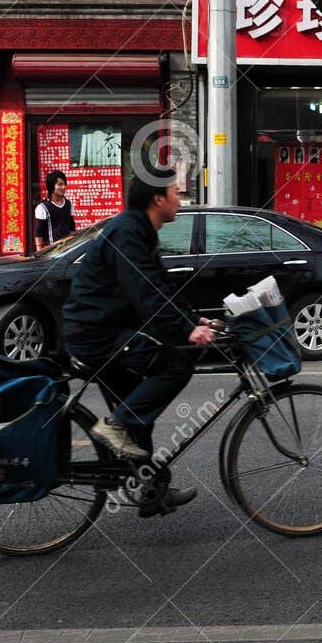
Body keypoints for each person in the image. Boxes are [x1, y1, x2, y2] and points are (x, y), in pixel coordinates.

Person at [61, 170, 215, 513]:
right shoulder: (129, 232)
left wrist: (194, 319)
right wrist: (185, 332)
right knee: (176, 362)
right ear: (158, 198)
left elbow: (161, 287)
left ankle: (151, 491)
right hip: (96, 336)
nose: (180, 199)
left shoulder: (139, 230)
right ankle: (116, 426)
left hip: (102, 331)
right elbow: (146, 294)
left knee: (139, 412)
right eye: (176, 192)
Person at [33, 170, 76, 249]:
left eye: (64, 184)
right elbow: (39, 232)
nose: (64, 187)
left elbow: (72, 227)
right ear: (51, 186)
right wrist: (39, 252)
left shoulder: (68, 204)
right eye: (60, 185)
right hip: (51, 250)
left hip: (68, 248)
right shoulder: (42, 207)